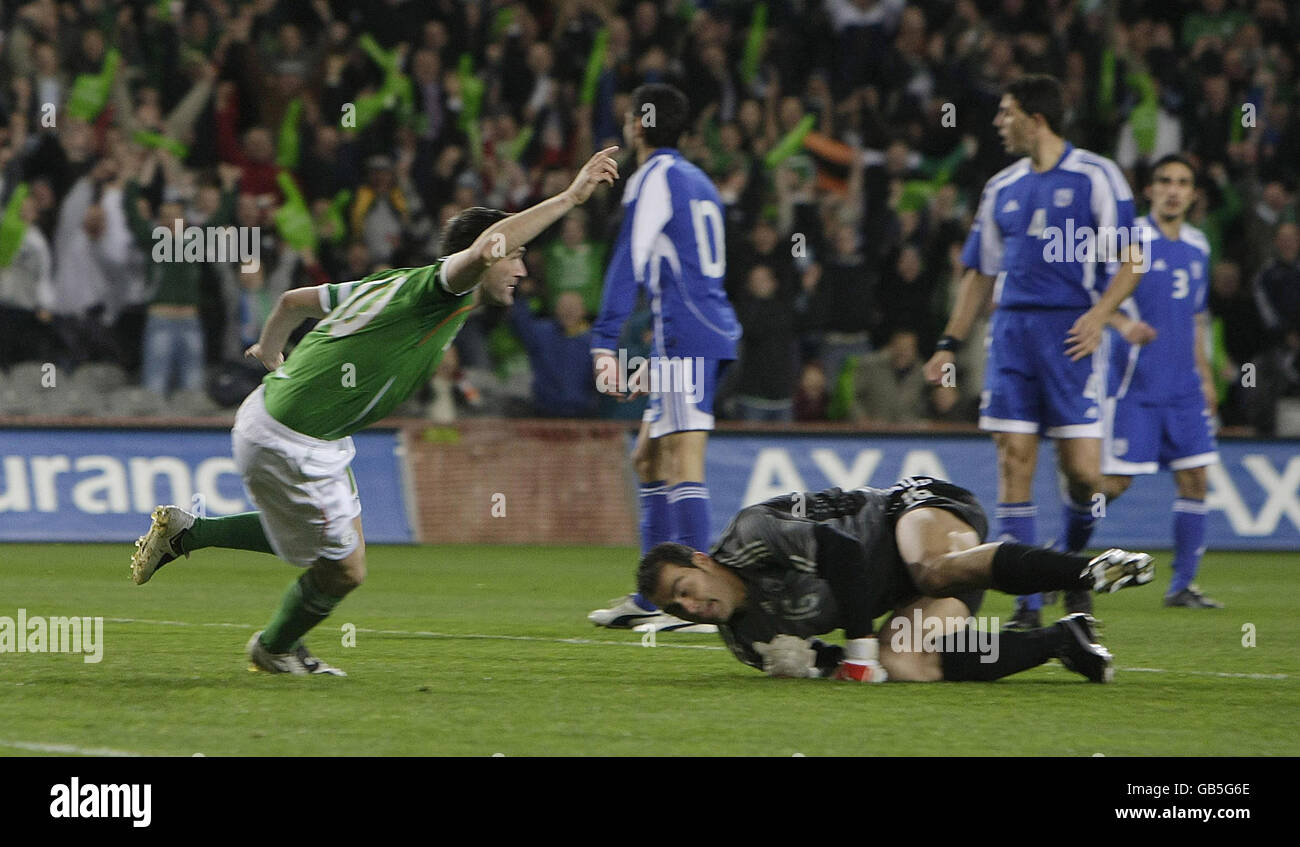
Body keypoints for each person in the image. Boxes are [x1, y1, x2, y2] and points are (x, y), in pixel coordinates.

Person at [128, 147, 621, 675]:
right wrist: (571, 196)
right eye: (516, 254)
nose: (522, 267)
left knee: (325, 546)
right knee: (344, 570)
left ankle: (188, 534)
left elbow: (293, 301)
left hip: (292, 424)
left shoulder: (394, 286)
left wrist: (271, 350)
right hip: (292, 438)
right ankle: (272, 648)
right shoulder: (437, 289)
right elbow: (482, 250)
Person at [923, 75, 1145, 628]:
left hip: (1073, 339)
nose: (999, 123)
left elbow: (1132, 259)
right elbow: (979, 273)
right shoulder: (1002, 187)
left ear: (1035, 119)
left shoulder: (1097, 176)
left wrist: (1099, 316)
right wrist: (949, 342)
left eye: (1006, 113)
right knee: (1013, 463)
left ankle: (1071, 567)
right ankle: (1026, 607)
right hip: (1014, 336)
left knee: (1084, 476)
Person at [637, 478, 1156, 683]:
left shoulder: (752, 534)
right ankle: (1064, 639)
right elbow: (847, 667)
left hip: (911, 512)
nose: (691, 607)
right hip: (909, 591)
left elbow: (843, 556)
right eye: (678, 609)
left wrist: (856, 652)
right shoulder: (747, 643)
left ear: (701, 561)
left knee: (931, 568)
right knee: (902, 660)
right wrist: (815, 666)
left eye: (684, 589)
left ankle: (1087, 569)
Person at [587, 83, 741, 631]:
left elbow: (629, 256)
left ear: (636, 126)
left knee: (681, 461)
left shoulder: (653, 177)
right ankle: (652, 597)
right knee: (649, 459)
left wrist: (605, 338)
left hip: (687, 337)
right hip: (692, 332)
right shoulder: (700, 181)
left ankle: (698, 604)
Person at [1093, 155, 1223, 608]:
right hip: (1135, 385)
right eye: (1165, 181)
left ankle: (1182, 585)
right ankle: (1061, 557)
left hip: (1184, 388)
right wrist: (1121, 325)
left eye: (1183, 183)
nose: (1173, 189)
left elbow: (1197, 317)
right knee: (1113, 484)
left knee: (1195, 479)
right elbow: (1097, 301)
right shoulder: (1133, 240)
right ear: (1150, 190)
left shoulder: (1198, 245)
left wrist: (1206, 378)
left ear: (1192, 194)